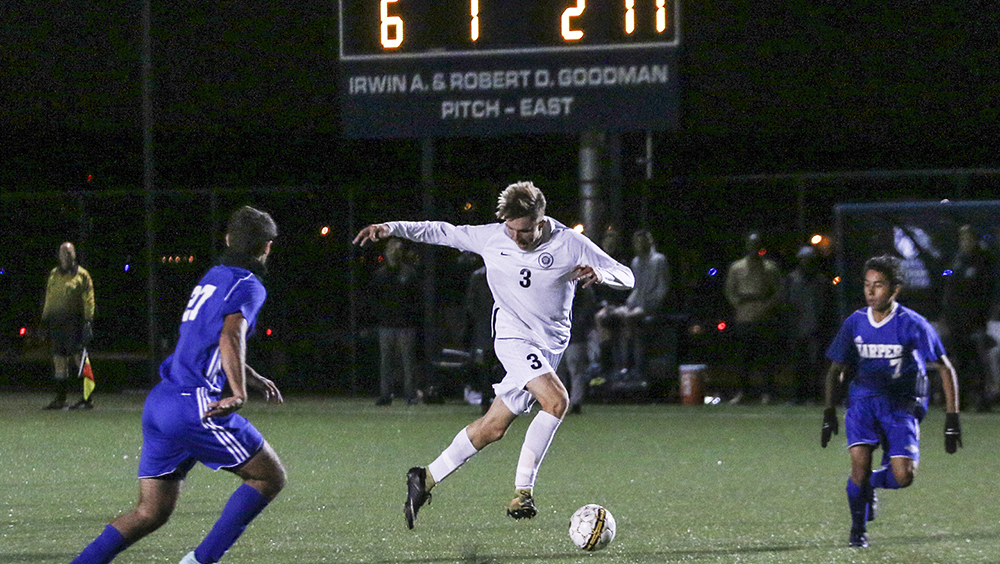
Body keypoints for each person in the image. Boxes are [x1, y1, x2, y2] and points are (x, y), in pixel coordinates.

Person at [353, 181, 634, 528]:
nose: (518, 238)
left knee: (493, 427)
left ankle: (423, 479)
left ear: (541, 218)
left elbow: (627, 276)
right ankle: (523, 493)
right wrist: (391, 228)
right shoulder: (492, 237)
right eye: (512, 230)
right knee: (557, 401)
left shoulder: (569, 243)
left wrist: (602, 273)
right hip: (513, 339)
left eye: (526, 230)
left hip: (549, 347)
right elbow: (440, 231)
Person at [68, 206, 286, 564]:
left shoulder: (213, 275)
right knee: (268, 476)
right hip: (196, 405)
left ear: (229, 240)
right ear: (267, 247)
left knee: (150, 513)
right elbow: (231, 336)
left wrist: (253, 376)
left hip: (162, 402)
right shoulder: (250, 285)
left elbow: (207, 339)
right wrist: (239, 391)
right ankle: (201, 561)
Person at [820, 255, 961, 549]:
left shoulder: (912, 324)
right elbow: (836, 370)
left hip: (901, 406)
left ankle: (870, 484)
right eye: (867, 285)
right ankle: (858, 531)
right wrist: (829, 411)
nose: (871, 292)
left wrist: (952, 419)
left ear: (895, 290)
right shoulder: (855, 323)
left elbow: (945, 368)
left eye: (879, 286)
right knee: (858, 464)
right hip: (863, 403)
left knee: (903, 477)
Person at [723, 232, 784, 403]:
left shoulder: (770, 268)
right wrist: (739, 305)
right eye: (751, 245)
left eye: (757, 245)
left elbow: (778, 291)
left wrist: (768, 306)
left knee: (765, 357)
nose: (754, 248)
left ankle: (767, 393)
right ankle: (743, 392)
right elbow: (730, 290)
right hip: (744, 315)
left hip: (764, 315)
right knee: (743, 357)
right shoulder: (736, 267)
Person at [940, 225, 992, 410]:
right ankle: (960, 400)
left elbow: (985, 293)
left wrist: (981, 320)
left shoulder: (981, 262)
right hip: (957, 322)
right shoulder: (956, 262)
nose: (965, 242)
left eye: (968, 239)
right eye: (962, 239)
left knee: (977, 361)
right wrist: (946, 317)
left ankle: (983, 399)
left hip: (974, 322)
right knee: (959, 362)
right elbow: (947, 285)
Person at [41, 241, 96, 410]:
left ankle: (87, 398)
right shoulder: (54, 274)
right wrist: (44, 320)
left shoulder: (82, 275)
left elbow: (89, 298)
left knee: (80, 359)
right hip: (57, 322)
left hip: (74, 322)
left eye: (68, 253)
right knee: (59, 360)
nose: (65, 256)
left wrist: (88, 321)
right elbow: (49, 298)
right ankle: (61, 399)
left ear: (74, 255)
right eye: (62, 253)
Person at [370, 237, 422, 406]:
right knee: (386, 362)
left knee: (407, 362)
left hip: (405, 325)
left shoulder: (409, 273)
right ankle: (385, 395)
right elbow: (375, 300)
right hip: (386, 324)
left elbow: (416, 300)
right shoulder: (380, 275)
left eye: (397, 250)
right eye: (391, 250)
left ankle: (410, 394)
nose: (394, 253)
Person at [786, 246, 831, 404]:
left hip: (815, 326)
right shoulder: (792, 279)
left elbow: (825, 306)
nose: (806, 263)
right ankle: (798, 395)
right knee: (798, 363)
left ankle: (814, 395)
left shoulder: (821, 281)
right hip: (797, 326)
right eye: (803, 260)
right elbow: (787, 303)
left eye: (809, 260)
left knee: (814, 364)